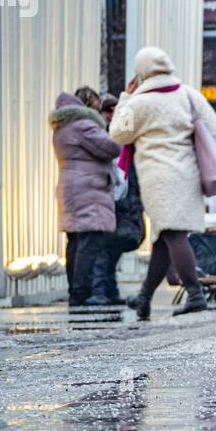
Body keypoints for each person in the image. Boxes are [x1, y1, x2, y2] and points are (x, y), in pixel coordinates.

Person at [110, 46, 216, 320]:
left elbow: (118, 134)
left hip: (158, 179)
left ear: (141, 73)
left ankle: (196, 295)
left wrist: (126, 95)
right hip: (188, 174)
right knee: (165, 237)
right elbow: (215, 127)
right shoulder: (188, 95)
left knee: (173, 234)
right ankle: (145, 298)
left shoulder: (139, 102)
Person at [49, 91, 121, 308]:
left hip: (70, 187)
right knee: (90, 243)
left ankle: (76, 292)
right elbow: (112, 147)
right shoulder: (82, 125)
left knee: (75, 242)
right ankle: (81, 293)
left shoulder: (61, 127)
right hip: (89, 189)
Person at [92, 94, 146, 305]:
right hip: (112, 198)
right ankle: (102, 290)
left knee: (113, 247)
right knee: (105, 247)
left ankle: (107, 289)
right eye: (108, 111)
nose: (112, 115)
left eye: (116, 110)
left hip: (125, 198)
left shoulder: (125, 138)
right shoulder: (104, 137)